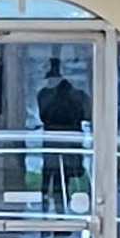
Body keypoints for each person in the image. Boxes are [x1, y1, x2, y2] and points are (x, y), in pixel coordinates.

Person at [32, 53, 92, 212]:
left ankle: (55, 209)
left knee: (56, 177)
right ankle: (55, 209)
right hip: (63, 142)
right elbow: (87, 115)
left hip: (59, 142)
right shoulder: (73, 95)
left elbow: (44, 116)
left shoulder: (46, 95)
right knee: (57, 177)